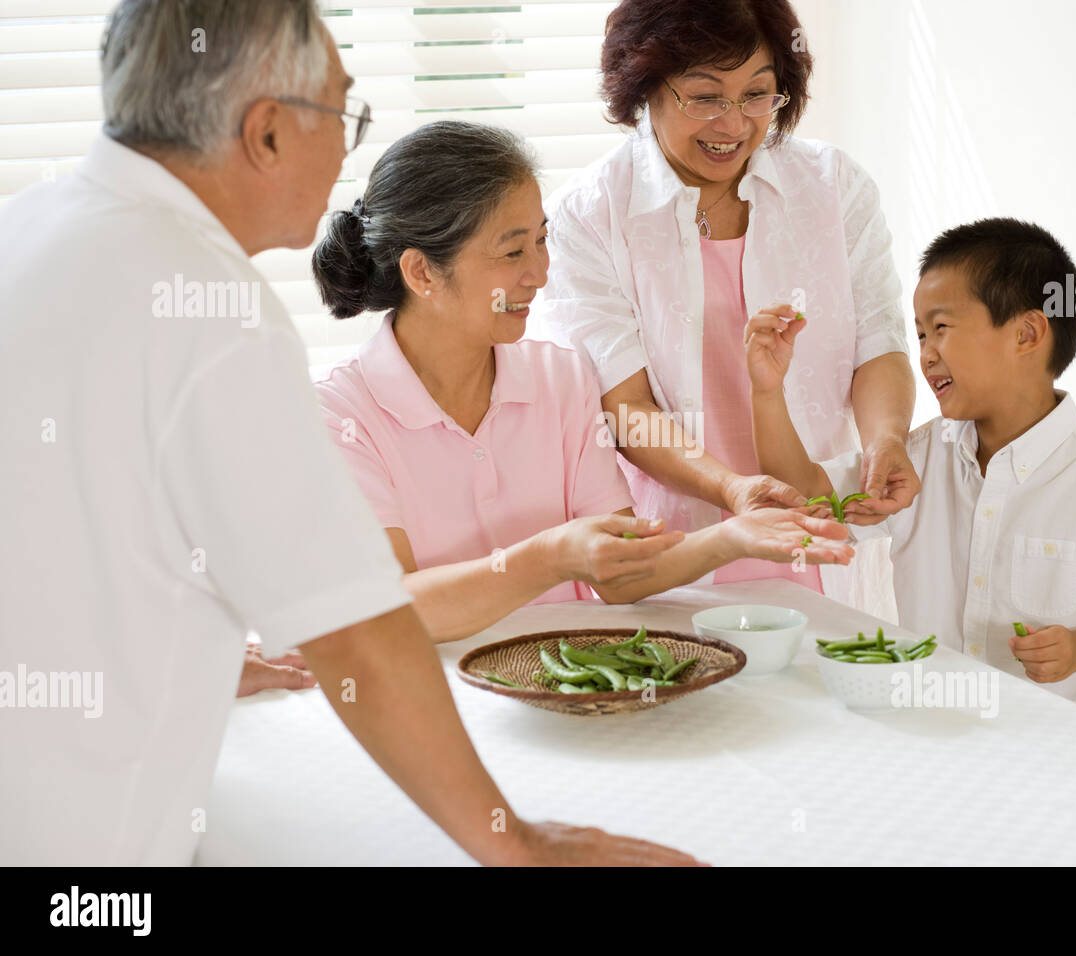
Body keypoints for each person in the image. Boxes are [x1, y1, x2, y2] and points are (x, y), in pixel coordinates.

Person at [0, 0, 698, 866]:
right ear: (265, 133)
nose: (345, 152)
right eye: (342, 114)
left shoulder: (28, 228)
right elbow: (359, 630)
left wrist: (195, 648)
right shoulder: (210, 313)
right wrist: (511, 842)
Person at [310, 122, 855, 640]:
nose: (540, 272)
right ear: (422, 272)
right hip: (429, 700)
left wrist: (730, 537)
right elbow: (394, 607)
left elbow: (619, 574)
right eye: (512, 251)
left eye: (542, 241)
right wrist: (550, 556)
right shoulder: (341, 413)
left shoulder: (560, 377)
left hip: (556, 696)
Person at [744, 218, 1076, 730]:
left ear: (1027, 333)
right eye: (919, 334)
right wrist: (767, 391)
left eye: (941, 328)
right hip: (941, 736)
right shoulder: (917, 459)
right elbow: (802, 492)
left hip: (1068, 762)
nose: (925, 354)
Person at [533, 0, 920, 610]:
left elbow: (879, 340)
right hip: (682, 554)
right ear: (645, 88)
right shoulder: (588, 214)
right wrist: (733, 489)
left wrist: (886, 441)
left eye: (757, 95)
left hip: (820, 539)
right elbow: (625, 405)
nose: (733, 124)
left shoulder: (832, 187)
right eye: (705, 97)